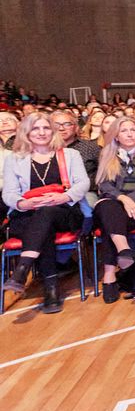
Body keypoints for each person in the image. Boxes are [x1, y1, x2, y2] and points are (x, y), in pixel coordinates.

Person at [1, 113, 89, 313]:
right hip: (27, 213)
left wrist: (63, 198)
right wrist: (24, 203)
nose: (41, 132)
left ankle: (23, 268)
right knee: (42, 224)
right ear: (26, 132)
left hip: (64, 212)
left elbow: (83, 183)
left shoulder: (69, 155)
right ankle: (51, 289)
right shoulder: (15, 159)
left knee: (46, 214)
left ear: (53, 131)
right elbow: (9, 193)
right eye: (35, 128)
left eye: (46, 128)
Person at [93, 117, 135, 303]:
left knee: (110, 222)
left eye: (134, 130)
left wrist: (130, 199)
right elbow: (105, 185)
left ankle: (110, 275)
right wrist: (123, 199)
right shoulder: (107, 155)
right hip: (116, 204)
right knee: (109, 209)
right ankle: (123, 253)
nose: (130, 134)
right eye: (124, 131)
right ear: (116, 135)